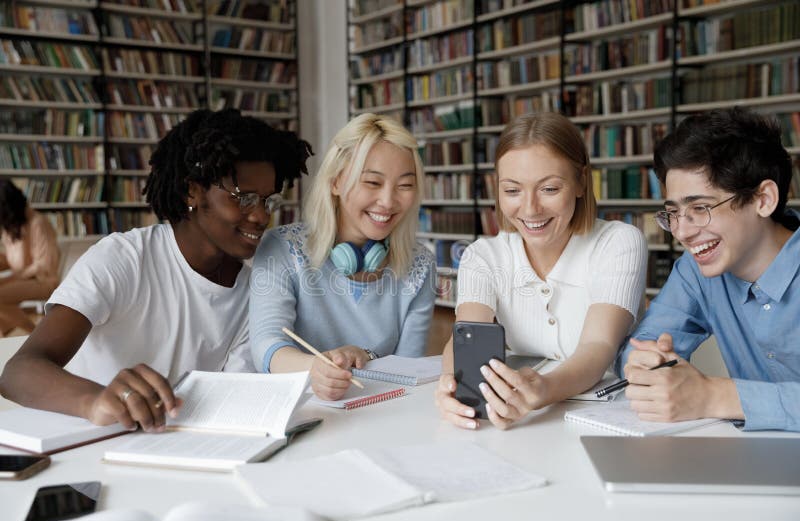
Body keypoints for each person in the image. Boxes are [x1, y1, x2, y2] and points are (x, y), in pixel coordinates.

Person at [0, 109, 312, 432]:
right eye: (244, 198)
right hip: (85, 447)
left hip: (174, 450)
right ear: (193, 191)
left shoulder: (257, 290)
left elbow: (230, 401)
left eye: (267, 201)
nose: (261, 217)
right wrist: (96, 400)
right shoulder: (124, 259)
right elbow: (18, 372)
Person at [436, 112, 648, 430]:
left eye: (549, 189)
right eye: (512, 191)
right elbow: (466, 339)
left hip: (611, 422)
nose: (531, 209)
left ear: (580, 181)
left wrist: (543, 389)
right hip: (532, 426)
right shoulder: (482, 256)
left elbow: (598, 346)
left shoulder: (618, 242)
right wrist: (453, 385)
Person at [618, 107, 800, 432]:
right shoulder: (696, 269)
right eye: (673, 212)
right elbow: (643, 343)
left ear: (763, 199)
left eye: (700, 208)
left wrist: (714, 396)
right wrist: (646, 365)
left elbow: (713, 397)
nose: (682, 232)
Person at [243, 113, 436, 401]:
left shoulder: (421, 265)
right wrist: (314, 369)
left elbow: (409, 371)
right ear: (335, 182)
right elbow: (266, 345)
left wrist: (365, 356)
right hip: (300, 409)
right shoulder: (282, 248)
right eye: (372, 182)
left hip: (382, 412)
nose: (388, 201)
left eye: (405, 186)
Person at [0, 179, 60, 334]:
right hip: (22, 277)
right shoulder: (12, 225)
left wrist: (18, 275)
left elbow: (45, 264)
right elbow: (13, 259)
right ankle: (8, 334)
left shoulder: (38, 223)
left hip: (43, 280)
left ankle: (33, 332)